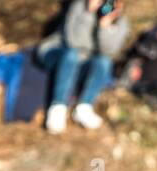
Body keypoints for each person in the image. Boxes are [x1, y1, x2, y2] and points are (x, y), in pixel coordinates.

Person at [38, 0, 130, 134]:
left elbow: (108, 51)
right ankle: (58, 107)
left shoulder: (121, 22)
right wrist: (89, 13)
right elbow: (72, 41)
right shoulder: (80, 6)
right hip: (58, 52)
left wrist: (104, 27)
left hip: (84, 61)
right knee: (72, 55)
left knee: (105, 61)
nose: (110, 5)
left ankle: (84, 106)